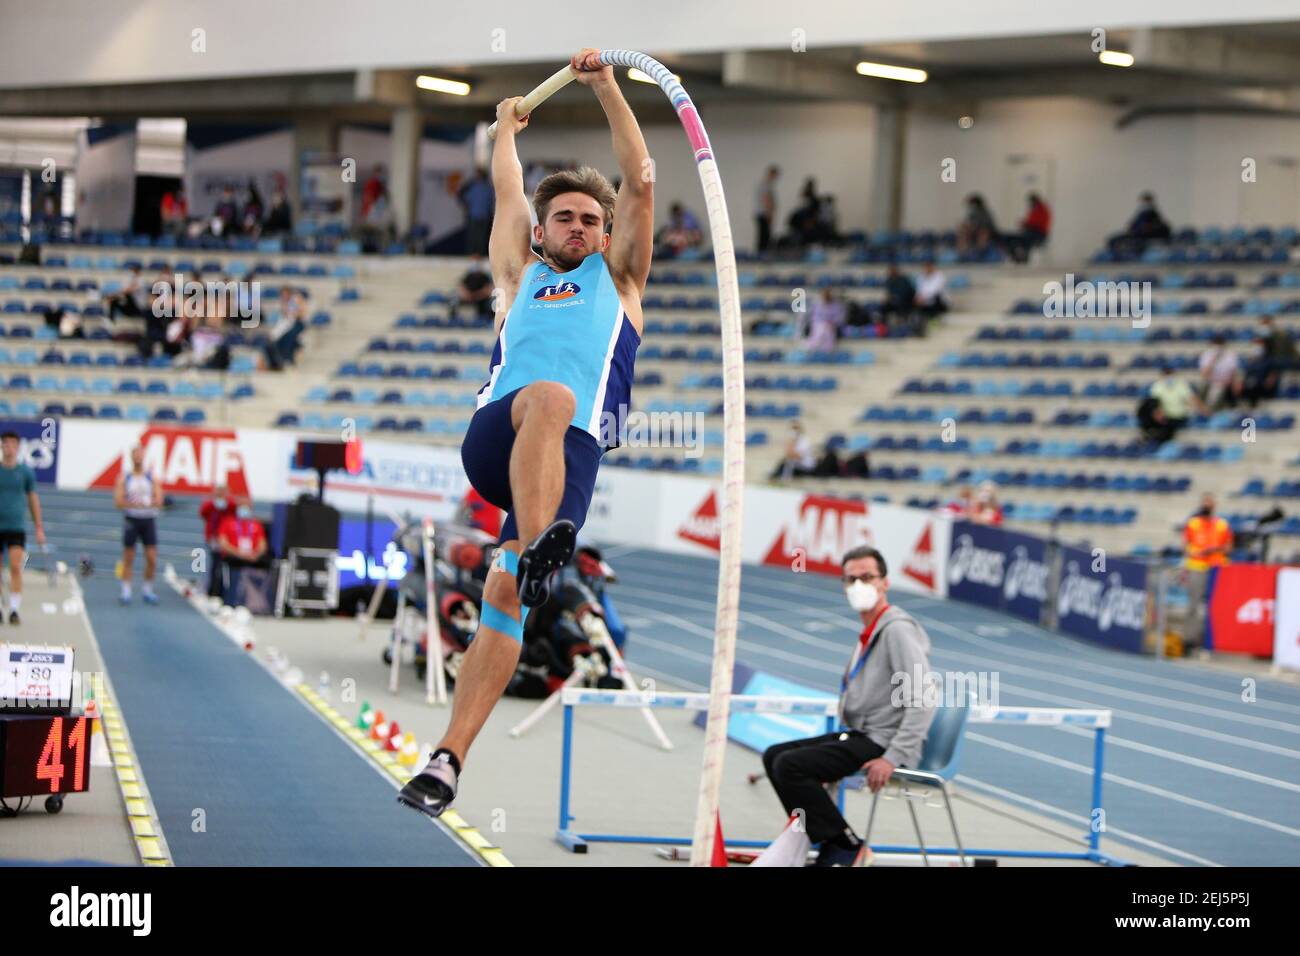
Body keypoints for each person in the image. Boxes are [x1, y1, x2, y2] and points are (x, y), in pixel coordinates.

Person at [397, 48, 654, 820]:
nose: (578, 226)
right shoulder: (519, 274)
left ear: (607, 235)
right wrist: (506, 130)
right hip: (498, 436)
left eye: (591, 220)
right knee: (546, 395)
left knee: (504, 593)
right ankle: (542, 546)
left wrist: (607, 87)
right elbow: (507, 186)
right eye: (565, 216)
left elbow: (641, 178)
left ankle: (447, 759)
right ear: (542, 230)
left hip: (569, 460)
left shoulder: (625, 282)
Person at [762, 546, 937, 866]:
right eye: (851, 580)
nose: (859, 586)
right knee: (775, 756)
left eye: (867, 577)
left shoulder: (896, 630)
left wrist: (892, 757)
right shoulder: (870, 632)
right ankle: (822, 842)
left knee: (791, 766)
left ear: (885, 582)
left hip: (881, 741)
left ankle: (845, 845)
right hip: (859, 733)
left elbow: (924, 699)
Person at [0, 431, 45, 625]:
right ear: (1, 446)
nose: (9, 447)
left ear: (18, 447)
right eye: (5, 443)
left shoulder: (25, 472)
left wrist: (38, 527)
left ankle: (15, 609)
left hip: (16, 526)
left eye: (12, 443)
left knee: (16, 567)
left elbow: (33, 499)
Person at [1181, 493, 1233, 652]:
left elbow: (1229, 547)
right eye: (1205, 502)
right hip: (1197, 568)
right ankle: (1189, 640)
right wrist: (1196, 553)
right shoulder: (1193, 523)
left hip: (1216, 569)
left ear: (1214, 505)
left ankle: (1209, 640)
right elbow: (1185, 546)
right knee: (1193, 606)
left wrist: (1215, 550)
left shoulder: (1222, 525)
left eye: (1209, 502)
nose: (1206, 505)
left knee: (1214, 607)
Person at [114, 445, 163, 605]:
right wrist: (134, 504)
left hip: (148, 520)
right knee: (128, 557)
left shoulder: (151, 477)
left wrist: (148, 503)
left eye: (141, 455)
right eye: (136, 455)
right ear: (132, 457)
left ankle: (147, 589)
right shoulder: (125, 477)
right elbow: (118, 502)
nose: (138, 458)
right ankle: (126, 591)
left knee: (151, 558)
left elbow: (159, 500)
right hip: (132, 519)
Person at [214, 500, 269, 598]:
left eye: (246, 507)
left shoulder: (256, 524)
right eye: (242, 507)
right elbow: (223, 543)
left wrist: (255, 554)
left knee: (264, 562)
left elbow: (262, 545)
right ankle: (230, 599)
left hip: (252, 557)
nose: (244, 510)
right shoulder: (228, 522)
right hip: (234, 557)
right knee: (233, 565)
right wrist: (239, 553)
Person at [1143, 365, 1207, 446]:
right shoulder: (1157, 386)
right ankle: (1151, 436)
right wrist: (1157, 413)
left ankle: (1158, 441)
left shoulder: (1181, 385)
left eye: (1170, 374)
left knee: (1167, 426)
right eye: (1166, 374)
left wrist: (1203, 410)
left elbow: (1192, 399)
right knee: (1145, 411)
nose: (1168, 377)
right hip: (1163, 416)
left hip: (1178, 416)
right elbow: (1154, 402)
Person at [199, 485, 238, 598]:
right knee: (214, 564)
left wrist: (226, 498)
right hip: (214, 537)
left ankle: (221, 590)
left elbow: (235, 508)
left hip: (227, 538)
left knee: (222, 564)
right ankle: (211, 589)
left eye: (223, 492)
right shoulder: (210, 505)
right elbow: (203, 513)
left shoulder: (230, 505)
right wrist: (213, 500)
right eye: (219, 492)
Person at [1108, 191, 1172, 258]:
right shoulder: (1142, 214)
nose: (1145, 204)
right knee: (1113, 239)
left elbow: (1160, 228)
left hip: (1145, 237)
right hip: (1137, 235)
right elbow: (1132, 226)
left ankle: (1136, 253)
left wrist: (1147, 229)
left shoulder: (1153, 214)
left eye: (1146, 201)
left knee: (1135, 242)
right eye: (1144, 201)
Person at [1197, 335, 1241, 410]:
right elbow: (1204, 374)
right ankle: (1205, 408)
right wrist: (1213, 360)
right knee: (1206, 386)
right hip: (1211, 382)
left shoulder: (1231, 356)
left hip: (1225, 383)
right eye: (1216, 344)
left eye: (1220, 344)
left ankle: (1213, 409)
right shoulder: (1206, 355)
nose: (1218, 347)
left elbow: (1234, 373)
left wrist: (1235, 384)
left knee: (1218, 390)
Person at [1004, 192, 1051, 263]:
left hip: (1038, 233)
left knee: (1025, 239)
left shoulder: (1041, 209)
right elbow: (1032, 222)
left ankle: (1022, 257)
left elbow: (1037, 223)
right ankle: (1019, 256)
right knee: (1015, 239)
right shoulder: (1036, 209)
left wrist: (1025, 224)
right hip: (1032, 232)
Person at [459, 167, 495, 257]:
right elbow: (491, 202)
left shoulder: (474, 187)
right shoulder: (488, 188)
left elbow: (465, 198)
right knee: (481, 237)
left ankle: (471, 254)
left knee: (472, 237)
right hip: (484, 216)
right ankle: (480, 255)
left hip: (474, 215)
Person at [453, 257, 495, 322]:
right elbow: (461, 287)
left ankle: (488, 320)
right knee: (454, 300)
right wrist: (467, 295)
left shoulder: (485, 276)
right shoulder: (468, 276)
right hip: (469, 297)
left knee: (492, 302)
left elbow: (488, 290)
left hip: (482, 299)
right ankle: (454, 319)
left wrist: (476, 296)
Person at [881, 264, 917, 330]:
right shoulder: (889, 281)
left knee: (901, 303)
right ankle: (883, 325)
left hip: (906, 301)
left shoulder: (903, 280)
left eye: (893, 271)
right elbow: (889, 293)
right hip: (895, 301)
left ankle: (903, 324)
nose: (891, 273)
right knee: (884, 306)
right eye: (891, 271)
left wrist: (894, 297)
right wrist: (887, 298)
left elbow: (908, 292)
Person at [754, 165, 779, 254]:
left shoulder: (766, 184)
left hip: (763, 213)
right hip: (763, 214)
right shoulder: (766, 185)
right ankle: (761, 255)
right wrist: (769, 214)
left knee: (764, 236)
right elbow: (766, 200)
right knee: (764, 236)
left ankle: (762, 253)